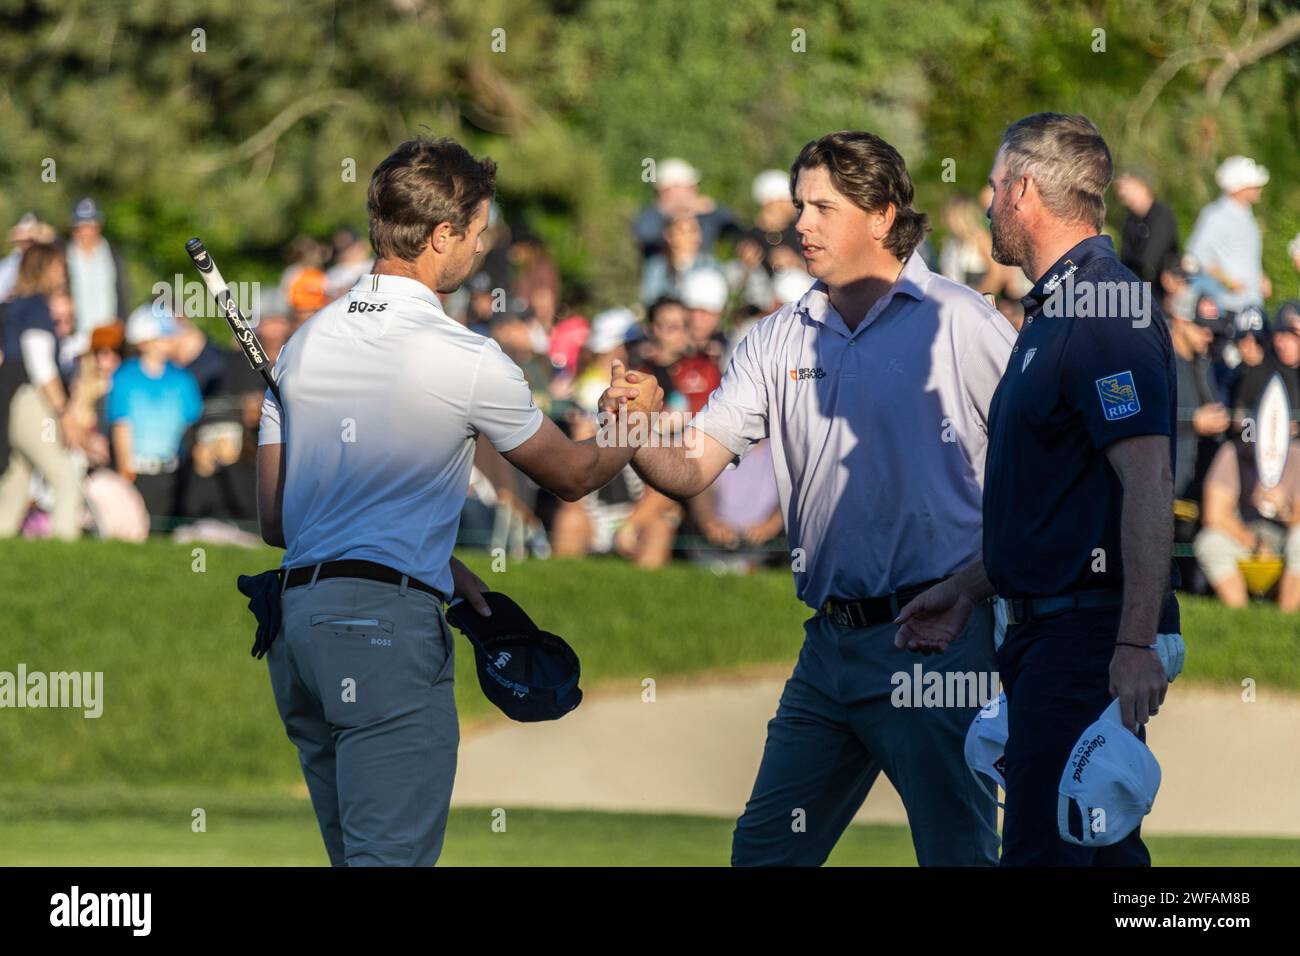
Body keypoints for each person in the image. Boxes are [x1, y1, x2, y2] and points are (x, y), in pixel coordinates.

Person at [255, 136, 663, 867]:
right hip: (382, 631)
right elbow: (572, 475)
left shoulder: (304, 343)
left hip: (298, 628)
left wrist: (433, 557)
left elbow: (276, 520)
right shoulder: (464, 354)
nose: (481, 247)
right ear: (441, 234)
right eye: (478, 232)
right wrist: (633, 419)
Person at [617, 130, 1015, 866]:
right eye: (800, 205)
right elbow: (689, 470)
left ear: (882, 214)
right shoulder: (776, 336)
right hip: (829, 650)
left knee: (959, 857)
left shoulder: (963, 321)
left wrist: (972, 589)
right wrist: (636, 427)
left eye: (822, 207)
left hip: (937, 640)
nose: (799, 224)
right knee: (765, 855)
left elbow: (1041, 487)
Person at [896, 112, 1176, 867]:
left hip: (1081, 645)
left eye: (992, 187)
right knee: (1106, 866)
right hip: (1046, 639)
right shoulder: (1056, 309)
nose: (986, 203)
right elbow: (1064, 513)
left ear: (1024, 190)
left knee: (1041, 859)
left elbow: (1148, 479)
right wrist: (969, 587)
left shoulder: (1102, 309)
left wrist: (1133, 642)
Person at [0, 243, 84, 540]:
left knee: (15, 482)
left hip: (9, 399)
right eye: (57, 266)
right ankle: (65, 548)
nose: (63, 273)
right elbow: (40, 365)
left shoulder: (12, 306)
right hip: (30, 399)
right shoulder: (35, 306)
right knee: (65, 477)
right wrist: (63, 413)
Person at [105, 304, 203, 524]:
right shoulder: (124, 378)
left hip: (173, 474)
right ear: (144, 341)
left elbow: (192, 427)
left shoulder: (183, 379)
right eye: (162, 335)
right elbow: (122, 426)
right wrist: (125, 473)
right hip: (137, 473)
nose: (169, 340)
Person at [1195, 429, 1300, 612]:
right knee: (1209, 542)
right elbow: (1214, 515)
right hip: (1244, 538)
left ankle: (1286, 618)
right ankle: (1241, 617)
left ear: (1292, 427)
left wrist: (1284, 510)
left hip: (1285, 539)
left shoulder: (1297, 455)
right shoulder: (1233, 451)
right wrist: (1256, 543)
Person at [1186, 156, 1270, 313]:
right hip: (1228, 307)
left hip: (1251, 305)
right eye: (1254, 185)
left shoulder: (1247, 216)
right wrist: (1228, 281)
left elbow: (1245, 257)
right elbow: (1198, 253)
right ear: (1238, 188)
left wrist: (1260, 278)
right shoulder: (1215, 215)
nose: (1259, 189)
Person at [631, 157, 738, 260]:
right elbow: (644, 233)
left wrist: (713, 207)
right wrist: (671, 209)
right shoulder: (652, 215)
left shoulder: (705, 216)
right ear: (666, 190)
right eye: (689, 187)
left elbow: (735, 229)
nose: (695, 190)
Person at [65, 198, 129, 339]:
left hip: (108, 335)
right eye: (81, 225)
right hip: (75, 336)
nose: (86, 231)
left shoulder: (111, 253)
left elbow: (122, 291)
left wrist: (122, 323)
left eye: (91, 225)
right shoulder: (64, 254)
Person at [1113, 169, 1179, 287]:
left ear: (1143, 186)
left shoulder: (1161, 214)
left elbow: (1149, 261)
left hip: (1163, 291)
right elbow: (1125, 260)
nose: (1121, 190)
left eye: (1127, 184)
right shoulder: (1130, 221)